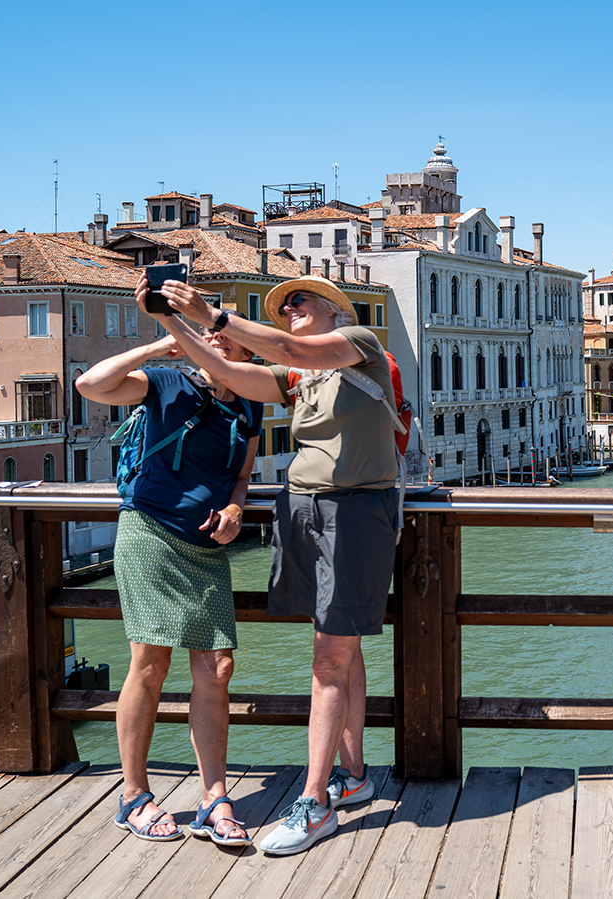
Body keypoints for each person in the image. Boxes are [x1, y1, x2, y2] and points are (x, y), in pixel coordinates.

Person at [153, 273, 398, 857]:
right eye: (283, 304)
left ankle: (315, 803)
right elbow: (235, 375)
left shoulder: (358, 344)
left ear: (333, 310)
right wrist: (171, 322)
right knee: (341, 647)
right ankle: (355, 774)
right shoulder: (301, 376)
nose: (289, 309)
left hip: (355, 509)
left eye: (299, 300)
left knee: (328, 656)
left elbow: (286, 349)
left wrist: (213, 316)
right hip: (304, 509)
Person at [74, 281, 263, 847]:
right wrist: (159, 347)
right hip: (150, 529)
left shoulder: (250, 405)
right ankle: (134, 795)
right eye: (212, 336)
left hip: (206, 545)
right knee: (150, 663)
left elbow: (242, 477)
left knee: (216, 668)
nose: (218, 342)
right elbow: (91, 385)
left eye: (229, 340)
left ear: (250, 355)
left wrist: (234, 509)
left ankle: (214, 797)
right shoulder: (164, 383)